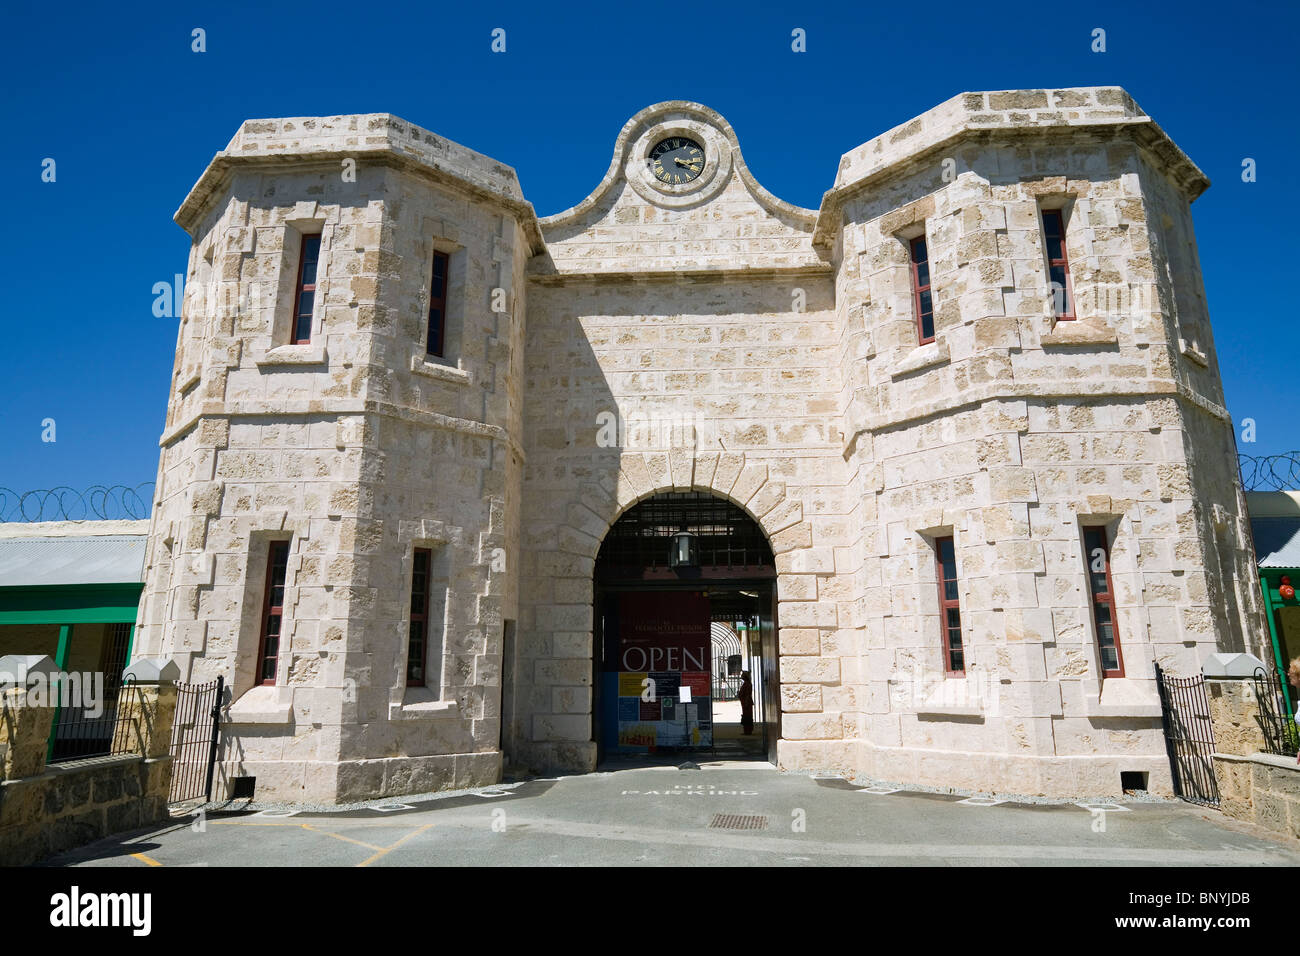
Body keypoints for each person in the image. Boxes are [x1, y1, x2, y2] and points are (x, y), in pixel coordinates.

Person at [738, 670, 754, 735]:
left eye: (743, 675)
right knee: (746, 715)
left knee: (747, 716)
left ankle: (748, 731)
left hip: (746, 702)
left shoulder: (747, 684)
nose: (741, 676)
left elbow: (747, 694)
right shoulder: (746, 683)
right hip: (744, 702)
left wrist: (746, 702)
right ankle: (746, 730)